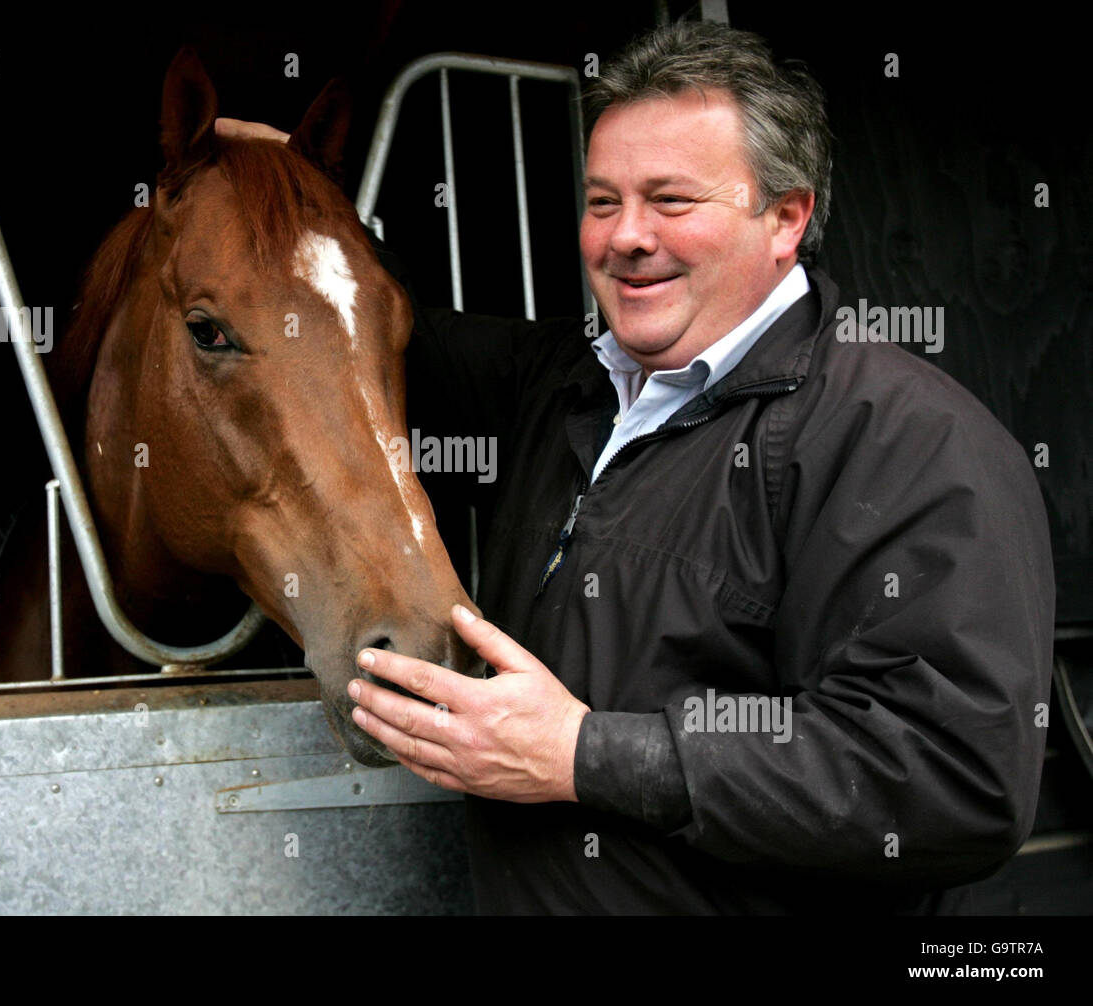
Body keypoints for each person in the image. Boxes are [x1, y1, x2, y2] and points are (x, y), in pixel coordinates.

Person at [218, 20, 1055, 913]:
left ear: (787, 217)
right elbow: (347, 327)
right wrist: (288, 194)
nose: (626, 237)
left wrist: (582, 755)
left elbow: (956, 779)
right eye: (603, 200)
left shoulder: (907, 440)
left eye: (671, 201)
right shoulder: (564, 387)